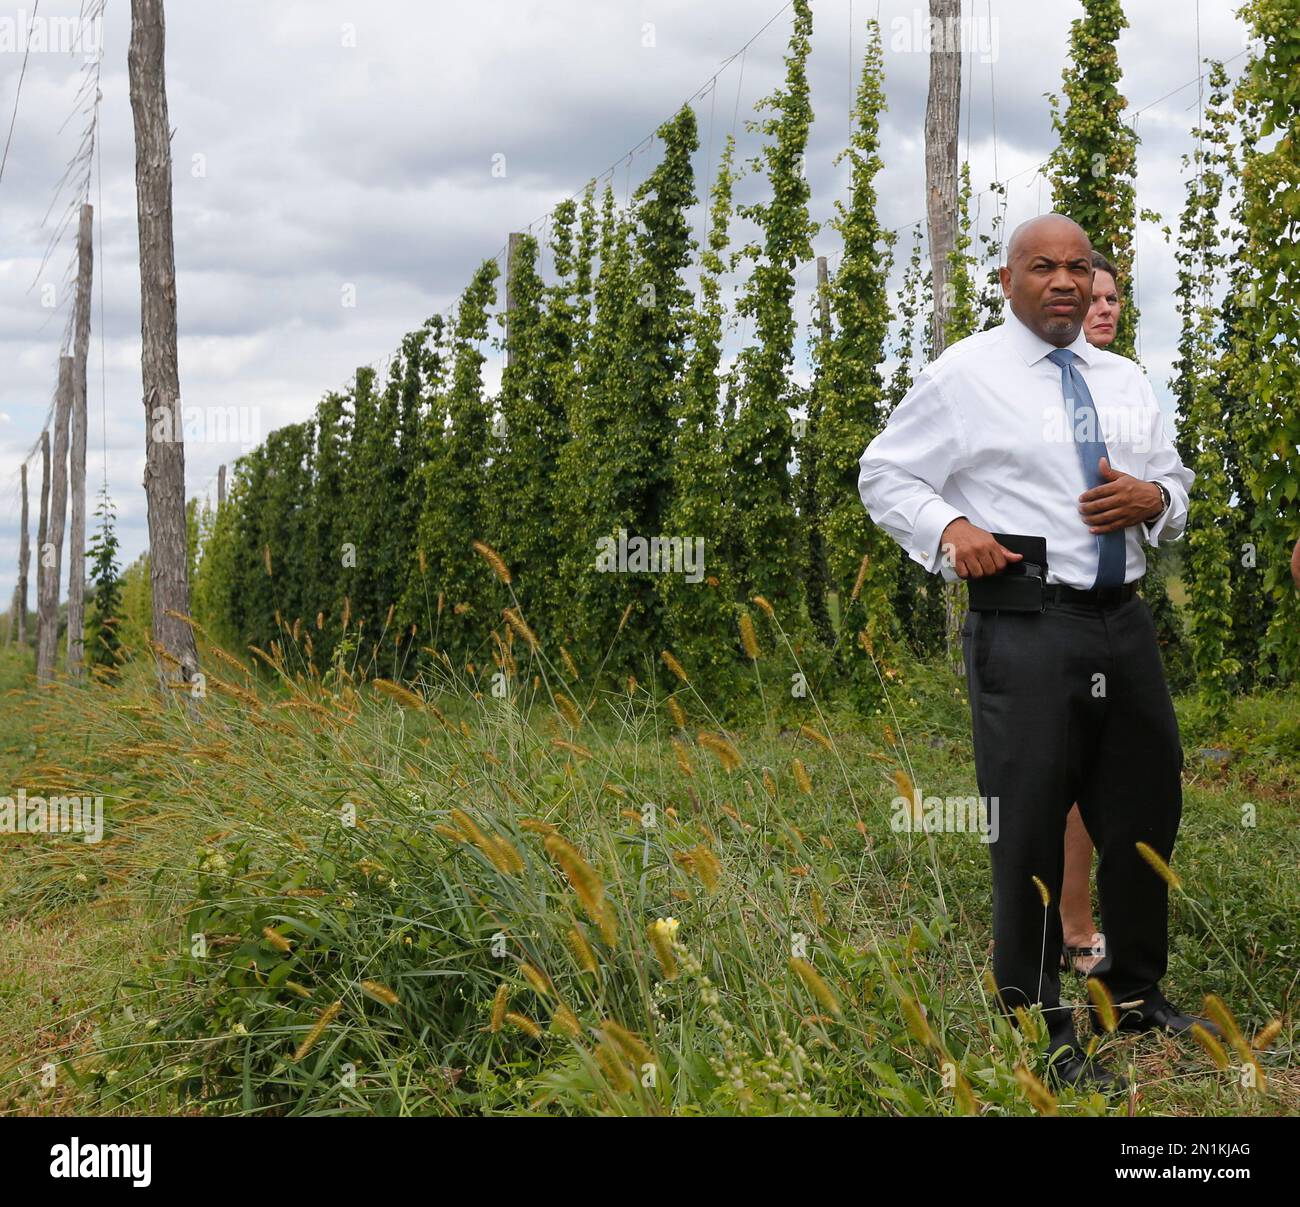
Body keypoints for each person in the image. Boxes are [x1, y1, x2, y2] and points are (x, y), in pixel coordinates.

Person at [858, 213, 1221, 1092]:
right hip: (1025, 620)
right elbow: (884, 472)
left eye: (1078, 268)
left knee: (1145, 807)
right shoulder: (963, 377)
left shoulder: (1127, 378)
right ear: (1009, 279)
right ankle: (1036, 1015)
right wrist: (950, 526)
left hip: (1122, 620)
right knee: (1024, 820)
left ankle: (1132, 993)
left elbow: (1176, 479)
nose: (1064, 281)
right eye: (1044, 268)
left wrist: (1154, 498)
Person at [1059, 251, 1125, 978]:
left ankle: (1088, 917)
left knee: (1116, 774)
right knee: (1057, 782)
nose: (1103, 309)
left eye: (1113, 299)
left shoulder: (1127, 383)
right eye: (1094, 296)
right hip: (1048, 608)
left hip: (1118, 608)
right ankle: (1064, 922)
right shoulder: (1025, 382)